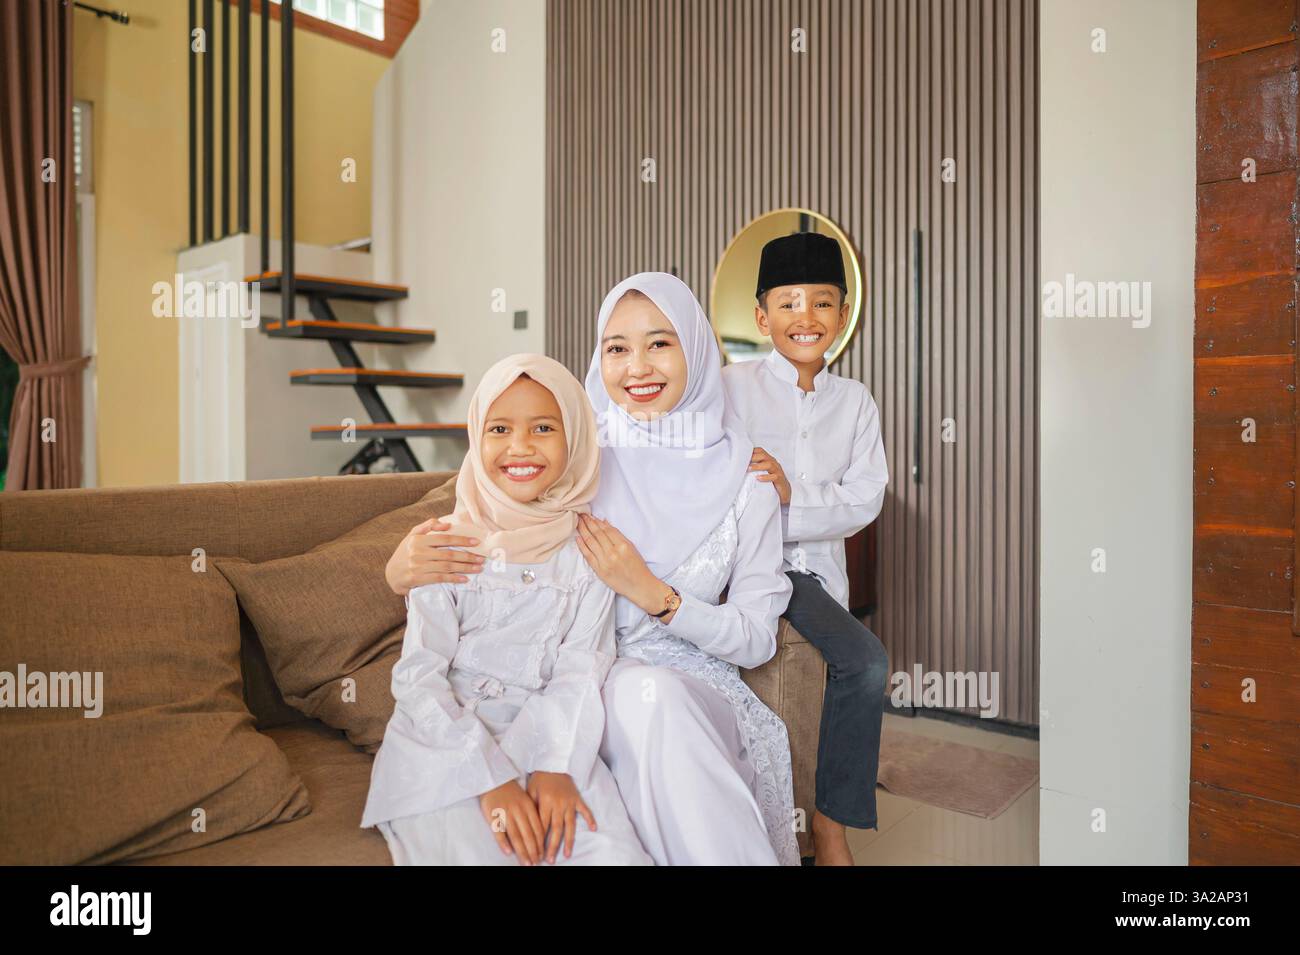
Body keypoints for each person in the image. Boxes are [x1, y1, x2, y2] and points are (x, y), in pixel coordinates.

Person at [385, 274, 801, 866]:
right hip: (573, 681)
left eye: (660, 343)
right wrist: (400, 569)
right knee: (630, 698)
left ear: (698, 349)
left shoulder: (749, 481)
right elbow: (477, 508)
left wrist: (658, 596)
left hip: (688, 684)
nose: (637, 367)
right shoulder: (575, 451)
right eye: (616, 348)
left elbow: (757, 639)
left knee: (648, 694)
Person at [362, 354, 651, 866]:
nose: (520, 447)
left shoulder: (587, 551)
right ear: (477, 435)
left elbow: (581, 669)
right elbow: (418, 677)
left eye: (544, 427)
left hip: (547, 735)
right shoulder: (444, 545)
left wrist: (555, 766)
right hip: (446, 745)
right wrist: (488, 778)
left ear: (576, 438)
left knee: (609, 851)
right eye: (500, 428)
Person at [722, 231, 891, 866]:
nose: (805, 318)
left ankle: (828, 822)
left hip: (811, 576)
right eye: (788, 303)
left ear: (842, 317)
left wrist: (793, 497)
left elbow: (866, 497)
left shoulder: (856, 403)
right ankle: (817, 828)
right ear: (762, 317)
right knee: (865, 663)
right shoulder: (731, 387)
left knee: (864, 665)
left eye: (822, 302)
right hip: (747, 566)